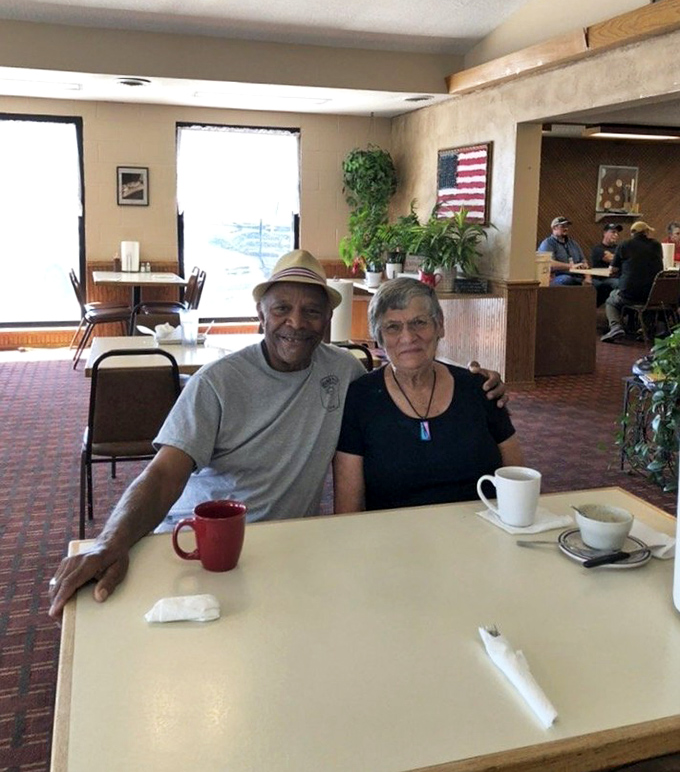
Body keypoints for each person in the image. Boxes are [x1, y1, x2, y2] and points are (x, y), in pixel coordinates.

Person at [49, 250, 507, 620]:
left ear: (328, 318)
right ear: (260, 314)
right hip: (199, 544)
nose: (297, 322)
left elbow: (405, 381)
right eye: (282, 309)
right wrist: (113, 540)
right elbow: (165, 473)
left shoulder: (345, 372)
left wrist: (477, 382)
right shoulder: (218, 382)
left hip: (289, 551)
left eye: (311, 311)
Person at [333, 277, 522, 513]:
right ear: (379, 337)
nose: (408, 337)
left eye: (419, 323)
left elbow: (518, 481)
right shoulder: (360, 399)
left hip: (480, 533)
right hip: (395, 540)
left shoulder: (481, 389)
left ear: (439, 326)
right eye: (393, 327)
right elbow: (348, 509)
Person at [601, 221, 664, 342]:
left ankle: (615, 327)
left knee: (611, 300)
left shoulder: (624, 244)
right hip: (652, 296)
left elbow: (613, 269)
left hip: (629, 294)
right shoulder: (656, 245)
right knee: (647, 294)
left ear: (632, 233)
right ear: (646, 232)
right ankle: (645, 327)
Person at [538, 216, 588, 285]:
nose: (566, 228)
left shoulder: (573, 243)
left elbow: (583, 261)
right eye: (563, 226)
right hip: (558, 276)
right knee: (567, 280)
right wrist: (571, 266)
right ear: (554, 228)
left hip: (578, 275)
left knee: (597, 284)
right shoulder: (548, 243)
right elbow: (549, 264)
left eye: (567, 226)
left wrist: (588, 277)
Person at [590, 223, 621, 306]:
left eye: (617, 233)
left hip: (618, 276)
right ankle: (613, 308)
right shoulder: (597, 249)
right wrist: (618, 258)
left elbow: (623, 259)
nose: (616, 235)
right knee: (619, 284)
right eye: (613, 232)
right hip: (603, 278)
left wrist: (615, 258)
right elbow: (610, 259)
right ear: (604, 233)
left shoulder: (619, 248)